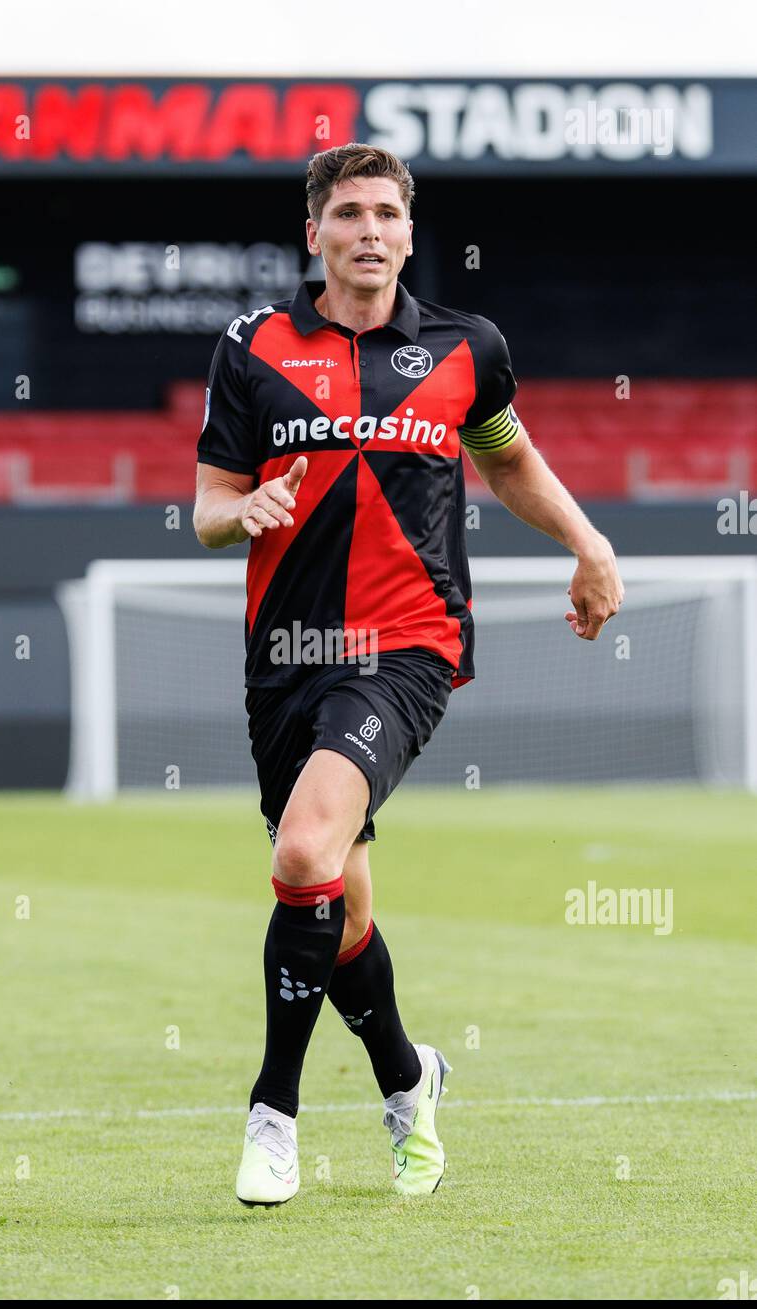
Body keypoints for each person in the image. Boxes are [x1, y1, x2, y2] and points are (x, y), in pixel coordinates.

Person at [194, 142, 624, 1205]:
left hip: (404, 648)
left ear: (408, 231)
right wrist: (235, 514)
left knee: (301, 851)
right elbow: (208, 503)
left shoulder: (463, 349)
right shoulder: (251, 347)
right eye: (348, 213)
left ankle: (271, 1116)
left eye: (387, 212)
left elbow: (507, 456)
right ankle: (407, 1078)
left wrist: (588, 543)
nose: (369, 230)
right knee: (333, 907)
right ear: (315, 234)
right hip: (283, 661)